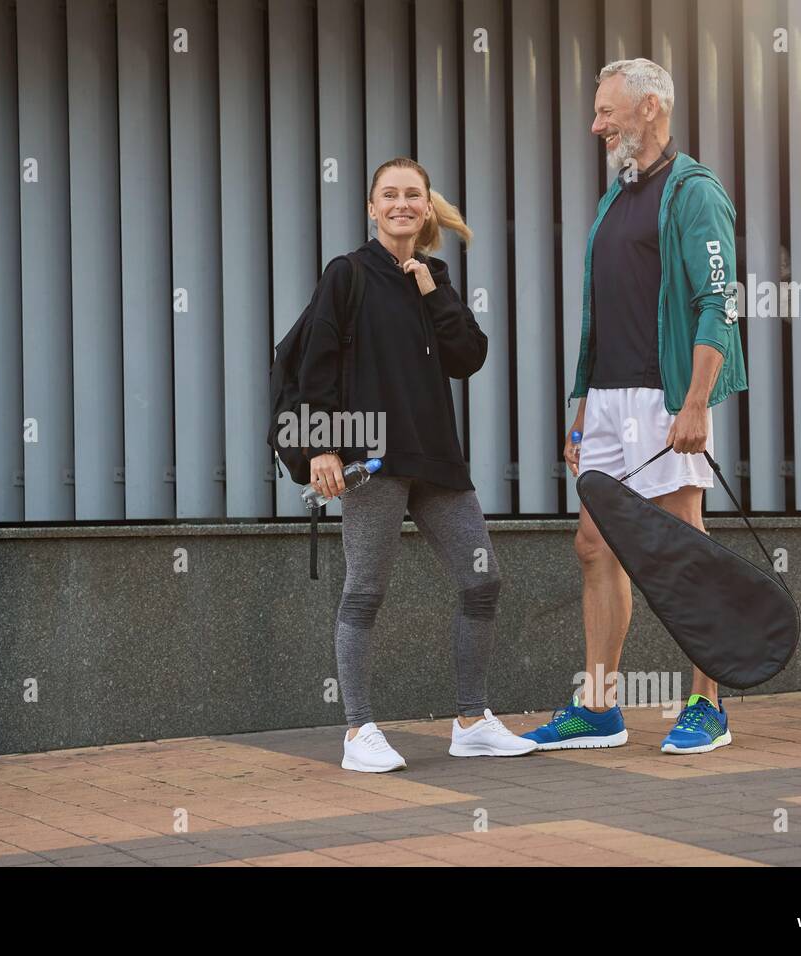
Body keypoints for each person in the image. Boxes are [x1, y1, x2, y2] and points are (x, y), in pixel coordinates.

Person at [521, 58, 747, 755]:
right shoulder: (614, 198)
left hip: (665, 395)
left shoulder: (694, 191)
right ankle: (599, 707)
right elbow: (598, 311)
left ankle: (707, 705)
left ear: (649, 108)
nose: (595, 125)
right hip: (609, 400)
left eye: (606, 112)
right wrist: (581, 403)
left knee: (682, 548)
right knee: (593, 545)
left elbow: (721, 302)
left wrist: (696, 402)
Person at [298, 157, 536, 772]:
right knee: (365, 592)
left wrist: (434, 291)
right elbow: (315, 364)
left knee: (482, 579)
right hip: (372, 455)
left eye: (413, 195)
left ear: (426, 208)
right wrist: (321, 447)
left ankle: (470, 720)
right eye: (390, 194)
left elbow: (468, 356)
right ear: (372, 208)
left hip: (435, 456)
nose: (402, 203)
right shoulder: (347, 274)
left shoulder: (434, 275)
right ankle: (357, 733)